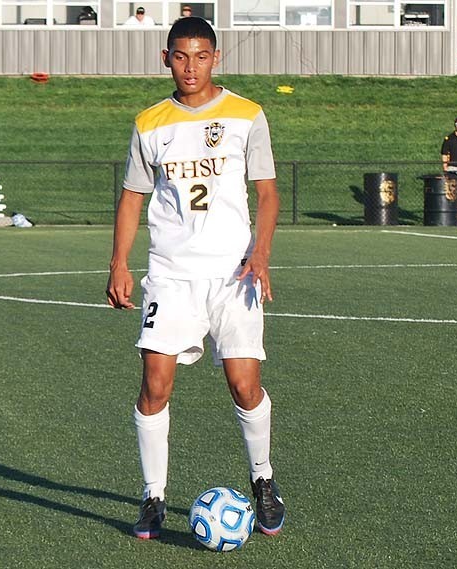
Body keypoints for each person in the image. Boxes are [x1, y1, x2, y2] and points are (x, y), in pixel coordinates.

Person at [105, 16, 285, 541]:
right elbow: (133, 198)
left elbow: (268, 193)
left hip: (234, 275)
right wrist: (119, 262)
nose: (190, 66)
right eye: (180, 56)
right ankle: (153, 496)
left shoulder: (247, 116)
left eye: (200, 55)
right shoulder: (149, 123)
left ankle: (263, 480)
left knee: (244, 385)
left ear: (216, 57)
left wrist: (262, 253)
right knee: (154, 387)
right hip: (171, 275)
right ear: (166, 59)